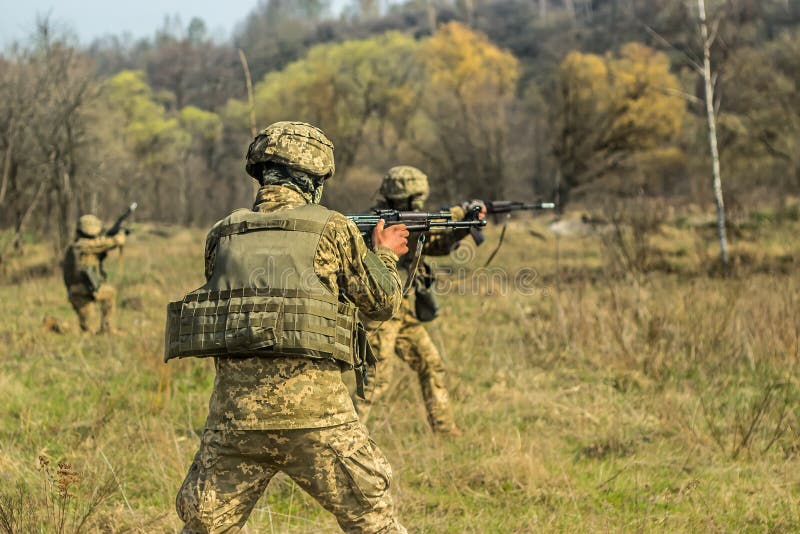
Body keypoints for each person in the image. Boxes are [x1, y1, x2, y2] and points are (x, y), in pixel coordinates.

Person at [166, 122, 409, 533]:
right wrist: (384, 255)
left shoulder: (221, 234)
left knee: (205, 528)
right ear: (314, 177)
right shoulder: (333, 227)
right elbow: (381, 303)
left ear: (261, 173)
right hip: (318, 419)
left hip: (235, 419)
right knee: (375, 522)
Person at [354, 165, 484, 436]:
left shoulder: (412, 224)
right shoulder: (374, 226)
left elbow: (435, 244)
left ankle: (445, 430)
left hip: (403, 310)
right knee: (374, 380)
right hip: (379, 314)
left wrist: (462, 227)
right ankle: (346, 441)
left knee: (431, 363)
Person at [62, 214, 126, 334]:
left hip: (78, 291)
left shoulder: (75, 246)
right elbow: (108, 243)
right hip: (83, 291)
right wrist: (120, 237)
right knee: (84, 331)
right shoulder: (84, 245)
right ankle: (107, 329)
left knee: (85, 329)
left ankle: (105, 329)